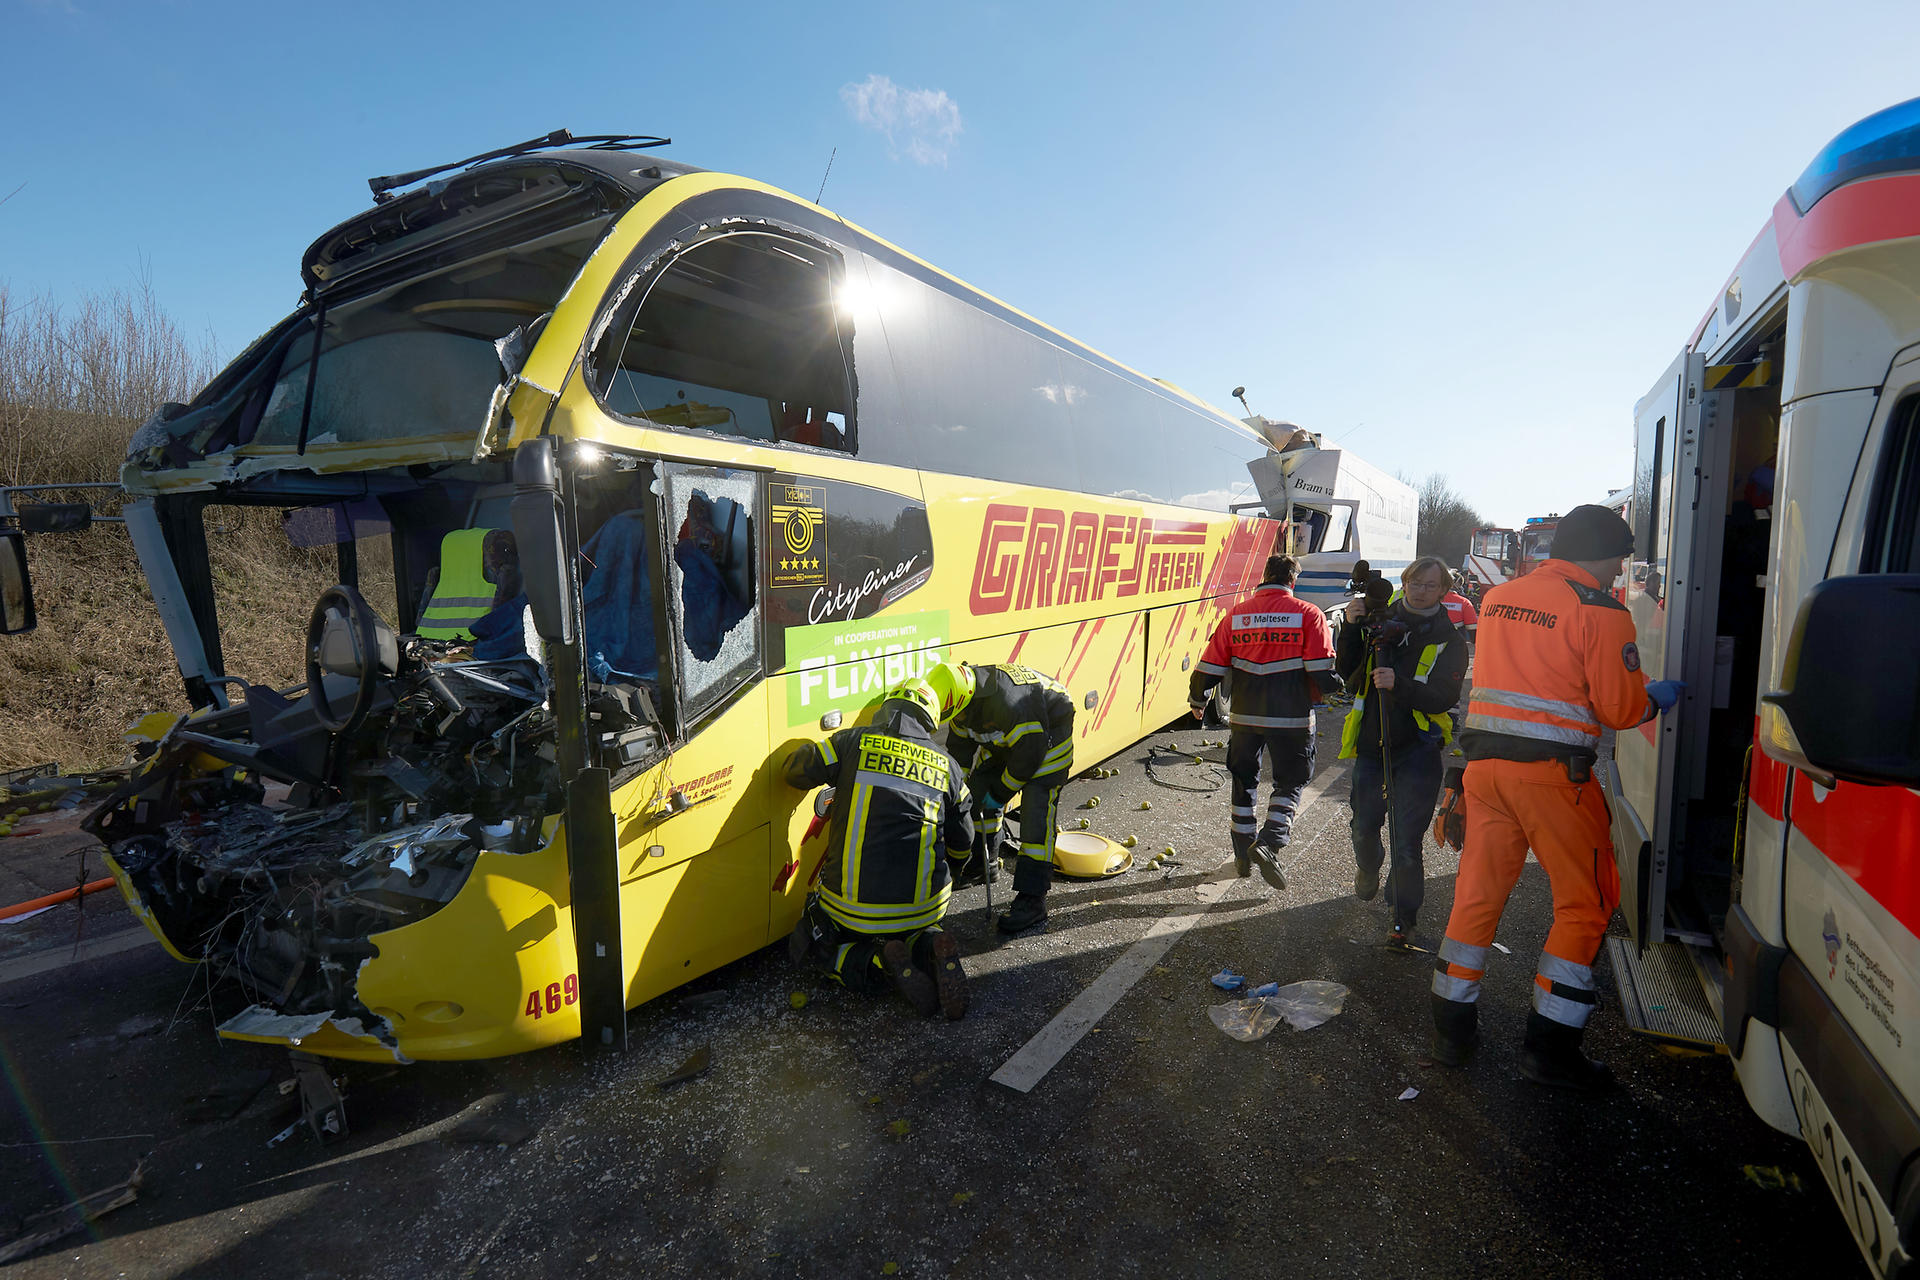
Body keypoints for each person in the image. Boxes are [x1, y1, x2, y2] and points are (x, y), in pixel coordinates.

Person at [1429, 504, 1684, 1090]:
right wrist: (1656, 696)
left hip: (1485, 773)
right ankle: (1550, 1049)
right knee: (1585, 904)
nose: (1619, 571)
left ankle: (1451, 1030)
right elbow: (1620, 709)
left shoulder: (1501, 598)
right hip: (1552, 781)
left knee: (1477, 898)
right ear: (1601, 554)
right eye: (1618, 559)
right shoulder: (1599, 610)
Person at [783, 679, 974, 1018]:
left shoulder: (851, 742)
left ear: (885, 709)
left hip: (853, 908)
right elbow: (964, 840)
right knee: (917, 926)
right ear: (930, 721)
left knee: (817, 946)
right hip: (925, 906)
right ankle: (930, 946)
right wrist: (954, 872)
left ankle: (877, 962)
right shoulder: (948, 766)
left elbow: (796, 771)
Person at [1335, 555, 1467, 947]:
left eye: (1431, 586)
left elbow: (1445, 695)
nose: (1421, 591)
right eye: (1415, 583)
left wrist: (1400, 684)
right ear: (1404, 583)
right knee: (1363, 828)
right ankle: (1368, 867)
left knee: (1407, 843)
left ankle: (1403, 920)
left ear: (1443, 591)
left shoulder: (1449, 639)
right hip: (1372, 745)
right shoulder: (1378, 618)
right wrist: (1351, 627)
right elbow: (1347, 672)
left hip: (1419, 749)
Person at [1188, 553, 1340, 888]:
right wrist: (1339, 686)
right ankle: (1269, 842)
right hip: (1292, 719)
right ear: (1293, 580)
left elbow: (1209, 666)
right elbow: (1321, 671)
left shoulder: (1237, 614)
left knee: (1244, 780)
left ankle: (1242, 854)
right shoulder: (1308, 614)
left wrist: (1198, 700)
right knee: (1291, 781)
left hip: (1245, 718)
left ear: (1265, 575)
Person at [928, 661, 1075, 935]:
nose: (958, 720)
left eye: (959, 714)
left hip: (1048, 738)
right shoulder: (962, 704)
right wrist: (954, 797)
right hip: (1011, 741)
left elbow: (1030, 754)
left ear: (969, 698)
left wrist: (1000, 793)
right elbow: (959, 755)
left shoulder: (1009, 702)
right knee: (976, 794)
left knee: (1035, 816)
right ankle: (983, 866)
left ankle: (1033, 900)